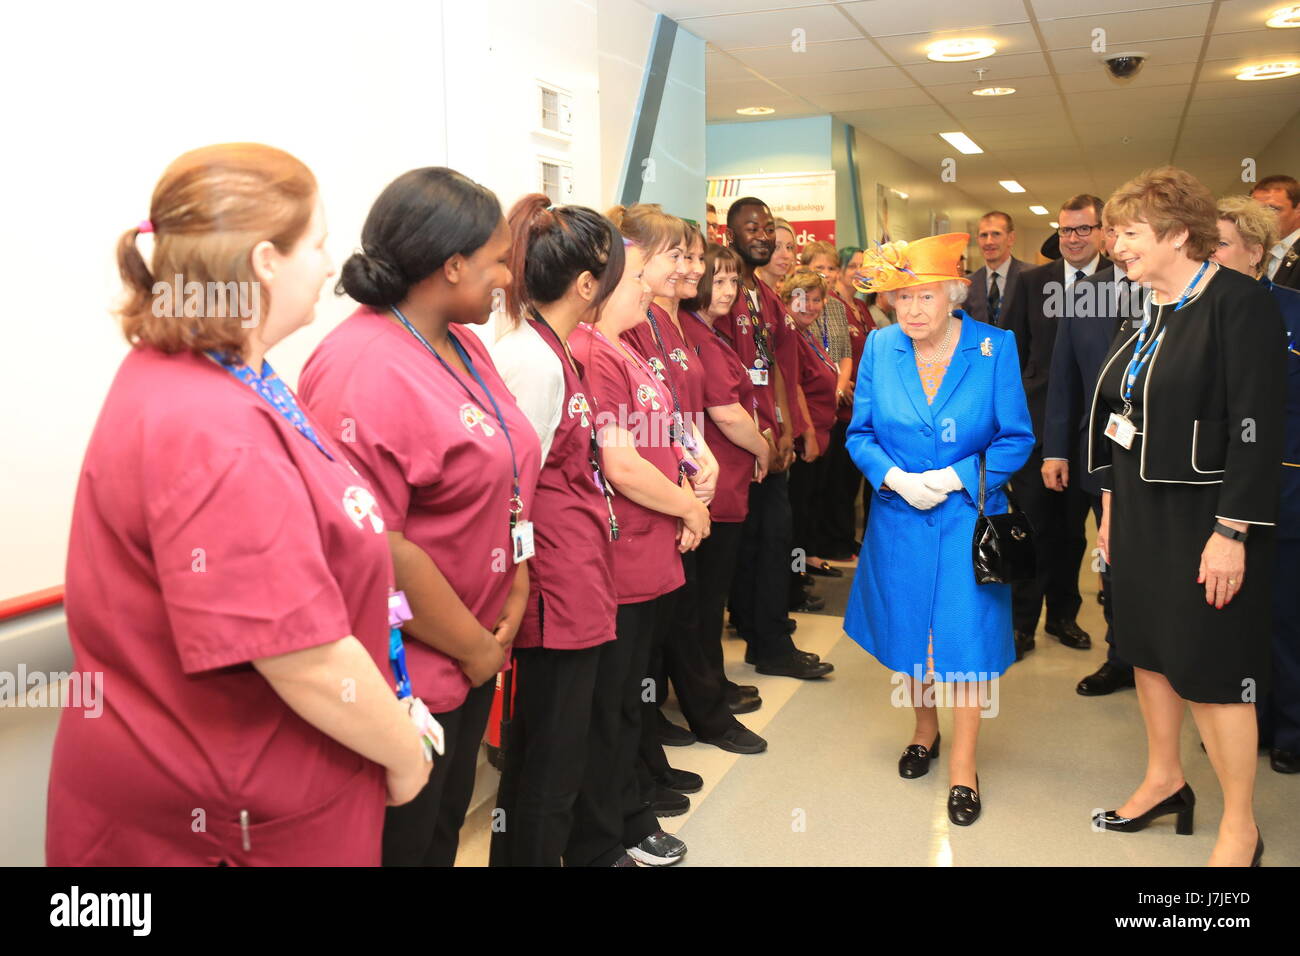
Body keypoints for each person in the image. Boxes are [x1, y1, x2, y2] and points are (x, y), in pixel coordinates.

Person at [48, 143, 431, 866]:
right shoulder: (212, 429)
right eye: (316, 244)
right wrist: (405, 755)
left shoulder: (227, 377)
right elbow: (306, 660)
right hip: (228, 811)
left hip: (255, 779)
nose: (328, 264)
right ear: (263, 262)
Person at [300, 167, 542, 867]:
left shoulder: (460, 341)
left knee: (439, 837)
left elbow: (504, 465)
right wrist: (473, 646)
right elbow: (380, 546)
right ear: (453, 263)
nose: (508, 275)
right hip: (414, 673)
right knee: (404, 846)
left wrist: (517, 584)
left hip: (479, 644)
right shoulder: (361, 366)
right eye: (499, 257)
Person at [1088, 167, 1286, 866]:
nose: (1117, 246)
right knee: (1148, 649)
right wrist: (1110, 506)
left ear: (1178, 234)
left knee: (1212, 665)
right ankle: (1165, 778)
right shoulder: (1148, 308)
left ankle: (1241, 823)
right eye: (1115, 233)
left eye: (1131, 233)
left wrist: (1232, 532)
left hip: (1208, 515)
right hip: (1140, 508)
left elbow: (1259, 426)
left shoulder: (1238, 303)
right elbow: (1121, 413)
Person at [846, 233, 1034, 826]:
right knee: (911, 633)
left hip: (968, 518)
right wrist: (893, 478)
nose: (912, 310)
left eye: (925, 296)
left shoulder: (993, 347)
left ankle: (964, 765)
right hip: (900, 516)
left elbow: (1016, 437)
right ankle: (924, 731)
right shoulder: (880, 347)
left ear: (955, 294)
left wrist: (955, 477)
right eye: (901, 297)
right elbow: (861, 433)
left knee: (965, 642)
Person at [470, 195, 621, 866]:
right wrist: (519, 577)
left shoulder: (553, 349)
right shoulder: (534, 360)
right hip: (555, 583)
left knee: (553, 747)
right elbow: (510, 489)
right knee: (548, 760)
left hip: (574, 572)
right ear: (587, 284)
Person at [567, 237, 709, 867]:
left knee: (631, 695)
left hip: (652, 545)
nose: (648, 289)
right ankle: (615, 823)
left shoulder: (624, 349)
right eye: (634, 282)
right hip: (622, 550)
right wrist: (686, 504)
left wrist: (686, 476)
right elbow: (619, 464)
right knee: (613, 704)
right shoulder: (594, 356)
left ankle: (631, 809)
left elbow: (658, 433)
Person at [725, 197, 833, 679]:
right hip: (735, 446)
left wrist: (792, 429)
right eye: (753, 227)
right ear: (731, 236)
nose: (764, 234)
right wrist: (759, 438)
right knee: (749, 548)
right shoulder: (725, 292)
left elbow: (780, 372)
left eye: (769, 226)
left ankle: (769, 640)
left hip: (771, 441)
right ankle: (761, 636)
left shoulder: (767, 296)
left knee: (773, 539)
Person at [1211, 194, 1300, 775]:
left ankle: (1290, 725)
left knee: (1284, 616)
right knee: (1229, 617)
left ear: (1256, 253)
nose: (1208, 255)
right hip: (1213, 493)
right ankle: (1246, 720)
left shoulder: (1290, 311)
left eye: (1218, 244)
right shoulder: (1191, 312)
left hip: (1284, 491)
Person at [1003, 194, 1108, 660]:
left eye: (1083, 229)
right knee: (1031, 527)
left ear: (1104, 232)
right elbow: (1011, 353)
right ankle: (1021, 624)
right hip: (1039, 431)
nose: (1073, 238)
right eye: (1066, 230)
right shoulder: (1032, 283)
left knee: (1074, 533)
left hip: (1100, 433)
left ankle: (1064, 616)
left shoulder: (1124, 284)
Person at [1043, 223, 1144, 696]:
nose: (1122, 246)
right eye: (1118, 235)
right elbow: (1062, 377)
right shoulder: (1085, 293)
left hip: (1158, 458)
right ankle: (1120, 655)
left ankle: (1163, 658)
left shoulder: (1173, 288)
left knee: (1148, 560)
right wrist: (1056, 449)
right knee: (1105, 557)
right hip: (1091, 452)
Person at [681, 243, 774, 713]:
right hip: (711, 487)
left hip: (728, 485)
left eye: (733, 281)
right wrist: (765, 448)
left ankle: (713, 682)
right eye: (716, 279)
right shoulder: (696, 336)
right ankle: (707, 690)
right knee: (705, 598)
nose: (727, 289)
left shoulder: (712, 334)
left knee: (711, 594)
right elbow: (728, 414)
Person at [780, 268, 842, 599]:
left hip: (820, 435)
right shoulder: (790, 334)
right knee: (797, 519)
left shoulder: (808, 333)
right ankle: (793, 581)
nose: (811, 306)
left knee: (807, 514)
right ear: (789, 299)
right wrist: (808, 435)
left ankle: (799, 573)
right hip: (808, 440)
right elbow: (796, 388)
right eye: (802, 298)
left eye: (817, 299)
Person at [821, 247, 876, 560]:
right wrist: (840, 385)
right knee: (837, 485)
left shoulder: (860, 306)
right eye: (852, 265)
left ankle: (844, 537)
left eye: (862, 266)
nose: (858, 271)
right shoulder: (833, 305)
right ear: (840, 270)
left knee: (852, 481)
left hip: (863, 409)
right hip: (839, 408)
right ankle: (833, 541)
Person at [964, 211, 1029, 326]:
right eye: (983, 235)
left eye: (996, 234)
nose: (989, 241)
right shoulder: (968, 283)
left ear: (1011, 238)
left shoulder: (1031, 277)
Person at [1251, 174, 1300, 289]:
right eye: (1255, 210)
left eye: (1273, 209)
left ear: (1298, 210)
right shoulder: (1252, 251)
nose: (1262, 217)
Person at [756, 217, 797, 291]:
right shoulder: (747, 295)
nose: (786, 255)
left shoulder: (787, 296)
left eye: (789, 247)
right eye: (776, 247)